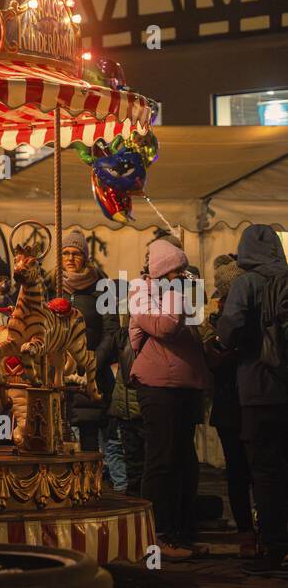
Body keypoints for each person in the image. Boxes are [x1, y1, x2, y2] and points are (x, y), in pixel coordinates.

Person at [129, 238, 211, 561]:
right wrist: (177, 294)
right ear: (162, 271)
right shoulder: (140, 290)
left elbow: (191, 328)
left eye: (183, 271)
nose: (181, 277)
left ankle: (180, 532)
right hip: (157, 386)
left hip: (185, 386)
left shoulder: (176, 293)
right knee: (161, 459)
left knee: (184, 461)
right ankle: (157, 536)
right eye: (176, 271)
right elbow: (166, 326)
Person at [218, 224, 288, 577]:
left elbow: (229, 329)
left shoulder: (246, 283)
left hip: (259, 390)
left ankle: (276, 546)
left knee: (265, 470)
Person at [200, 254, 255, 557]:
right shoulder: (215, 320)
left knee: (255, 470)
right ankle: (247, 532)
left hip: (248, 402)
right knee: (239, 471)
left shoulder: (246, 319)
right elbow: (216, 362)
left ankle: (256, 529)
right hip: (233, 404)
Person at [61, 228, 117, 454]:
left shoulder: (102, 287)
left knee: (90, 439)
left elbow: (111, 331)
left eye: (76, 253)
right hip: (61, 373)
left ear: (85, 256)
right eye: (65, 253)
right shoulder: (53, 287)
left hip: (92, 374)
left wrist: (93, 361)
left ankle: (92, 487)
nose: (70, 258)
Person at [110, 316, 145, 496]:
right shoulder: (123, 335)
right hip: (127, 409)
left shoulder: (150, 336)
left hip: (139, 408)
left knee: (141, 463)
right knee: (133, 463)